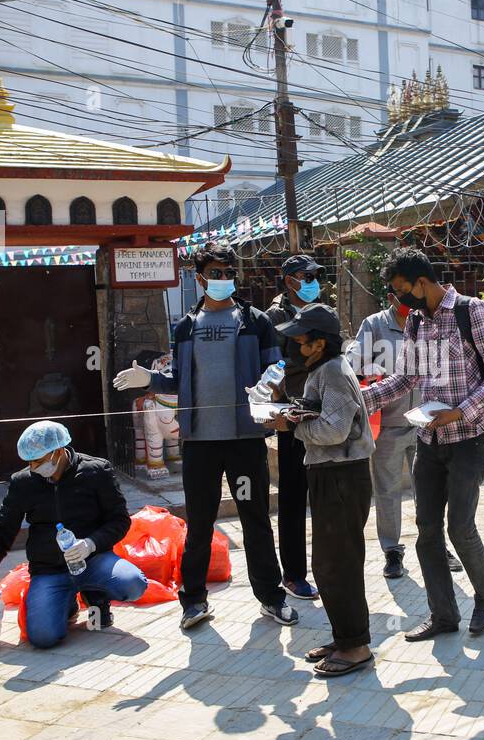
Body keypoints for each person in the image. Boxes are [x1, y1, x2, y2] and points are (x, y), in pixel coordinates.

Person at [113, 246, 298, 630]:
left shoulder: (255, 321)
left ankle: (271, 597)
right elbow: (178, 379)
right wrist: (150, 380)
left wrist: (273, 386)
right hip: (199, 444)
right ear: (199, 278)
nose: (222, 278)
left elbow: (277, 368)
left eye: (228, 271)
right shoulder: (185, 326)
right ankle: (194, 602)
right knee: (199, 523)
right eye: (214, 272)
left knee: (255, 520)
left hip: (244, 442)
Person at [361, 247, 484, 639]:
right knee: (427, 529)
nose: (398, 298)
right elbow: (404, 379)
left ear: (422, 282)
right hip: (428, 439)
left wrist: (461, 411)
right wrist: (357, 401)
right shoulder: (416, 323)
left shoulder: (470, 311)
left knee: (460, 527)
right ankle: (443, 615)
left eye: (401, 289)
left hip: (468, 438)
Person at [266, 304, 376, 677]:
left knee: (338, 563)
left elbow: (334, 431)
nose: (295, 344)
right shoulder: (322, 370)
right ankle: (345, 637)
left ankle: (356, 647)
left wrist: (290, 427)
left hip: (342, 475)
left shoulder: (332, 371)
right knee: (329, 563)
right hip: (331, 473)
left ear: (319, 343)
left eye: (301, 339)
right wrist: (294, 412)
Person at [0, 421, 147, 649]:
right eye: (30, 462)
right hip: (50, 569)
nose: (33, 467)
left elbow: (120, 520)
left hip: (93, 560)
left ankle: (95, 596)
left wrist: (91, 544)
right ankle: (67, 605)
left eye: (38, 461)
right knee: (43, 637)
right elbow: (1, 531)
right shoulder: (23, 482)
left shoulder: (95, 471)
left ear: (57, 452)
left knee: (133, 583)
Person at [348, 289, 464, 579]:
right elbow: (353, 363)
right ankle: (392, 551)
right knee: (387, 491)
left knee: (430, 490)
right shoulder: (374, 325)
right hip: (387, 424)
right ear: (391, 297)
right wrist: (371, 371)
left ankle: (437, 544)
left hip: (427, 422)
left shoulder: (429, 322)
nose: (412, 303)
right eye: (404, 297)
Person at [263, 254, 324, 601]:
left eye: (317, 275)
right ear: (289, 281)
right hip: (292, 416)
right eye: (306, 275)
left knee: (325, 494)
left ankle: (327, 567)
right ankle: (294, 574)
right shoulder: (275, 317)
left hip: (323, 413)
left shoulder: (320, 311)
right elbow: (272, 369)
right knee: (292, 498)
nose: (314, 281)